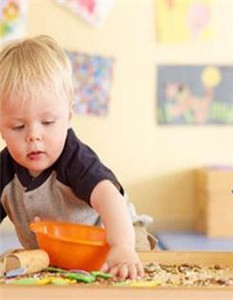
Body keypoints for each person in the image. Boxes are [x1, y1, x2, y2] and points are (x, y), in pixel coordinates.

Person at [0, 35, 156, 279]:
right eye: (18, 127)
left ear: (69, 116)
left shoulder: (75, 159)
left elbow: (110, 199)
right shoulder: (4, 171)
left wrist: (122, 247)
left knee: (133, 270)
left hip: (115, 235)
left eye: (48, 122)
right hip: (58, 252)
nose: (33, 136)